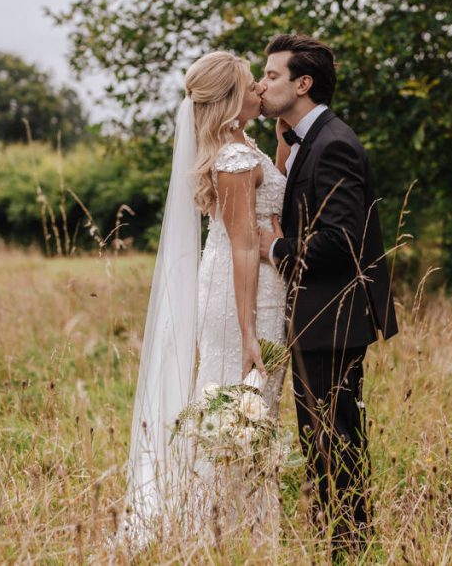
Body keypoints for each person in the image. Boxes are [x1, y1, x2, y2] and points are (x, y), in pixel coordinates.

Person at [120, 51, 289, 550]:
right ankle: (211, 531)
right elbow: (241, 244)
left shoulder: (241, 145)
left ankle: (243, 532)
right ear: (232, 98)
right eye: (249, 81)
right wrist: (246, 333)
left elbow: (270, 195)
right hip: (242, 298)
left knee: (252, 410)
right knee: (236, 406)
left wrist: (280, 144)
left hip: (256, 289)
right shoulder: (233, 158)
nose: (260, 85)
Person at [257, 34, 399, 556]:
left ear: (303, 83)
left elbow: (340, 241)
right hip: (316, 316)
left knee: (336, 437)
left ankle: (351, 546)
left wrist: (275, 247)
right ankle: (334, 540)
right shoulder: (302, 140)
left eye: (272, 75)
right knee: (321, 438)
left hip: (332, 315)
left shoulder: (334, 142)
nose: (261, 83)